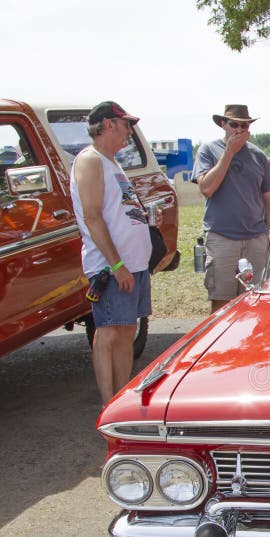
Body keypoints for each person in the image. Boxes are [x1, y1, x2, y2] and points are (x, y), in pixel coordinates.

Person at [71, 101, 160, 405]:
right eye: (126, 125)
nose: (129, 132)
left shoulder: (111, 162)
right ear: (108, 124)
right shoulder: (90, 160)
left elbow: (116, 210)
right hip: (112, 267)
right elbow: (92, 217)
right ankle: (109, 403)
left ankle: (122, 399)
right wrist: (117, 264)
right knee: (108, 333)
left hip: (132, 264)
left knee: (127, 330)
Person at [192, 104, 270, 313]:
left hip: (256, 237)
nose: (239, 130)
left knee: (256, 300)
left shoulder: (258, 156)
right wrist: (229, 152)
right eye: (234, 124)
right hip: (222, 236)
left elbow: (269, 199)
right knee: (222, 302)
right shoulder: (209, 150)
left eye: (244, 125)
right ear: (223, 125)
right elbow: (207, 188)